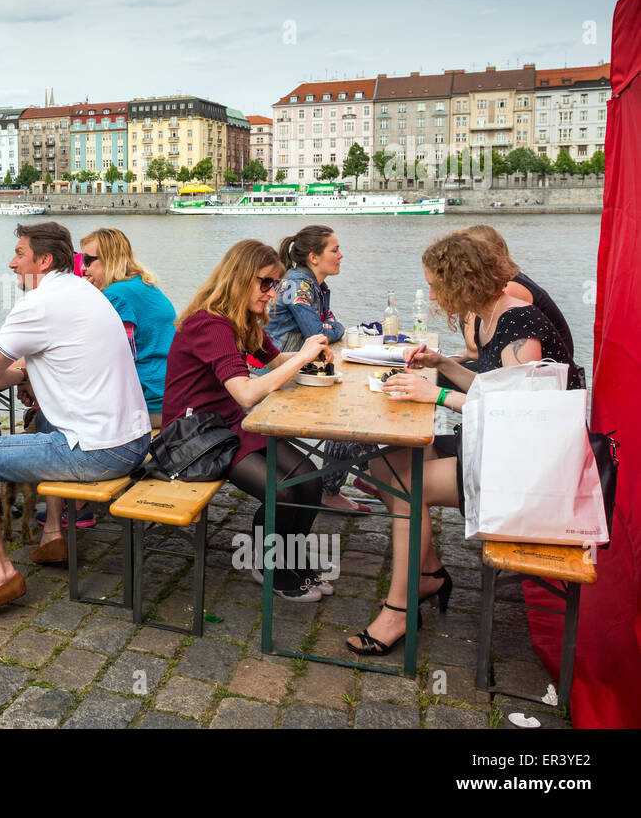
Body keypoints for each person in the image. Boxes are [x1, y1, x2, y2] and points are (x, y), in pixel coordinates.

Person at [351, 231, 579, 656]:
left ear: (460, 280)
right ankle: (429, 572)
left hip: (533, 471)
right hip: (501, 447)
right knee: (385, 466)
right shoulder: (494, 313)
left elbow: (517, 410)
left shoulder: (520, 323)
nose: (433, 294)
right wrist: (443, 364)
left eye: (436, 285)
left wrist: (435, 394)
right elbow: (492, 386)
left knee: (407, 487)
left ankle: (399, 609)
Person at [0, 222, 152, 620]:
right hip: (134, 439)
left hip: (99, 452)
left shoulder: (38, 304)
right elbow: (39, 365)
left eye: (19, 254)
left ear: (44, 260)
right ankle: (53, 533)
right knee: (45, 422)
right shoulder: (85, 292)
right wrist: (23, 374)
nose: (11, 263)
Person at [161, 239, 336, 602]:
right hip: (194, 435)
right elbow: (245, 393)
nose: (272, 293)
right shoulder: (211, 324)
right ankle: (270, 565)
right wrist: (300, 358)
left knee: (311, 480)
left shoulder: (241, 320)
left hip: (227, 423)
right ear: (240, 278)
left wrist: (313, 354)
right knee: (283, 492)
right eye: (266, 283)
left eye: (276, 285)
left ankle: (288, 559)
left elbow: (274, 362)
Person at [265, 225, 368, 514]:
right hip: (273, 376)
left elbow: (330, 327)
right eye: (334, 250)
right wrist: (331, 329)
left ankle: (368, 475)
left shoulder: (317, 286)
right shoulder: (298, 285)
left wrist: (331, 329)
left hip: (297, 370)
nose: (341, 255)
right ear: (313, 257)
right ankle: (341, 486)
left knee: (357, 401)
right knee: (345, 413)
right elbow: (318, 331)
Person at [79, 227, 175, 429]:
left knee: (52, 417)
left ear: (109, 259)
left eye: (88, 260)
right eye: (80, 259)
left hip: (148, 404)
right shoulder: (144, 284)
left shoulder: (116, 294)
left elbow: (107, 359)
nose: (82, 268)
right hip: (169, 395)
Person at [459, 224, 574, 360]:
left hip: (546, 373)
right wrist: (448, 358)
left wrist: (467, 295)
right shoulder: (509, 279)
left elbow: (475, 349)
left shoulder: (510, 289)